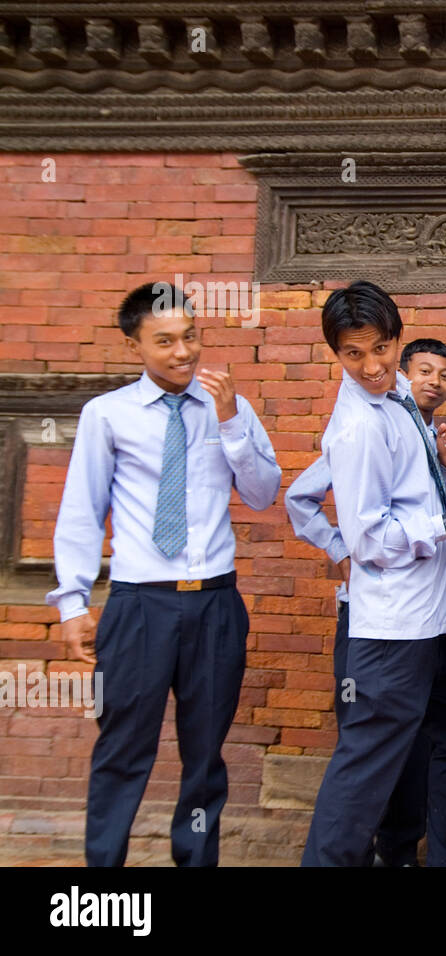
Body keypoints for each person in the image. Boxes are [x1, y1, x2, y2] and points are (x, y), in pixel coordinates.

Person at [48, 281, 282, 866]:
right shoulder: (107, 415)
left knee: (205, 757)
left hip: (215, 607)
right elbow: (82, 510)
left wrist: (230, 423)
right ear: (135, 346)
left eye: (191, 337)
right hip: (139, 607)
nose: (183, 353)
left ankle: (195, 860)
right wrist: (72, 604)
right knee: (123, 749)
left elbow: (262, 493)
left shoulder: (230, 405)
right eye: (165, 342)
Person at [299, 281, 446, 866]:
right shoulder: (360, 425)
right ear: (335, 354)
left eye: (380, 348)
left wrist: (439, 464)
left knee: (389, 762)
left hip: (415, 621)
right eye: (352, 355)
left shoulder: (399, 402)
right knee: (363, 773)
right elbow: (368, 538)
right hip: (390, 629)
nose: (371, 366)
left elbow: (401, 496)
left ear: (397, 340)